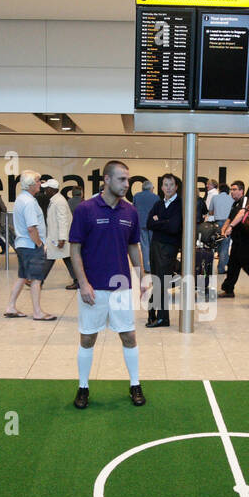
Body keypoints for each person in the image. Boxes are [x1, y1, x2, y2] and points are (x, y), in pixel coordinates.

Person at [69, 160, 149, 409]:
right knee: (87, 338)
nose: (127, 184)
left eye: (128, 179)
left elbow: (133, 247)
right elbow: (75, 249)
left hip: (121, 288)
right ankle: (83, 387)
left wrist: (143, 277)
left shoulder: (130, 212)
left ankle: (135, 384)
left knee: (129, 335)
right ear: (106, 179)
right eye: (122, 179)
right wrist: (83, 283)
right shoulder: (85, 209)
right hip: (93, 288)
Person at [4, 170, 54, 321]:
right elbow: (32, 228)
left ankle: (11, 306)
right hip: (31, 246)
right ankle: (38, 312)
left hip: (22, 244)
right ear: (31, 184)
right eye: (38, 181)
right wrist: (39, 244)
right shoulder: (30, 203)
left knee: (23, 276)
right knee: (36, 279)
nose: (40, 183)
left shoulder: (21, 199)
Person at [145, 173, 183, 327]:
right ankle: (153, 311)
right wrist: (164, 222)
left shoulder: (179, 204)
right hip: (155, 246)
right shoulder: (159, 204)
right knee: (156, 279)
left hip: (169, 247)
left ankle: (162, 317)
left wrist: (158, 221)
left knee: (162, 281)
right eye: (165, 185)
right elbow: (148, 223)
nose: (168, 188)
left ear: (176, 187)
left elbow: (174, 227)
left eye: (171, 185)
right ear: (161, 187)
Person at [218, 182, 249, 298]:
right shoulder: (234, 203)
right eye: (231, 189)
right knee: (233, 264)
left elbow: (241, 213)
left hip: (245, 240)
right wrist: (223, 229)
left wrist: (231, 227)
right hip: (236, 240)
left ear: (241, 190)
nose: (232, 192)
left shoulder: (245, 200)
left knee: (247, 265)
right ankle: (228, 289)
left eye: (234, 189)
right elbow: (229, 217)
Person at [42, 179, 76, 290]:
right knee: (67, 258)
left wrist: (62, 238)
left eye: (46, 189)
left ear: (51, 190)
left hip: (58, 237)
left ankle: (38, 280)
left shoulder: (59, 202)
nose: (45, 191)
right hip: (55, 236)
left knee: (50, 257)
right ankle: (78, 280)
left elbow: (63, 221)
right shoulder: (56, 200)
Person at [207, 180, 233, 274]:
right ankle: (221, 268)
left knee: (217, 245)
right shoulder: (231, 199)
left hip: (217, 224)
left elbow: (210, 211)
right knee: (225, 246)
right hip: (227, 223)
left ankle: (217, 265)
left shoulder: (214, 198)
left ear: (219, 190)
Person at [134, 180, 160, 275]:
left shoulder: (137, 196)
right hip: (152, 224)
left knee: (144, 246)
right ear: (150, 188)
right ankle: (153, 266)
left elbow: (134, 208)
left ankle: (147, 267)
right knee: (153, 245)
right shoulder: (156, 197)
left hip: (141, 224)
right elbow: (158, 212)